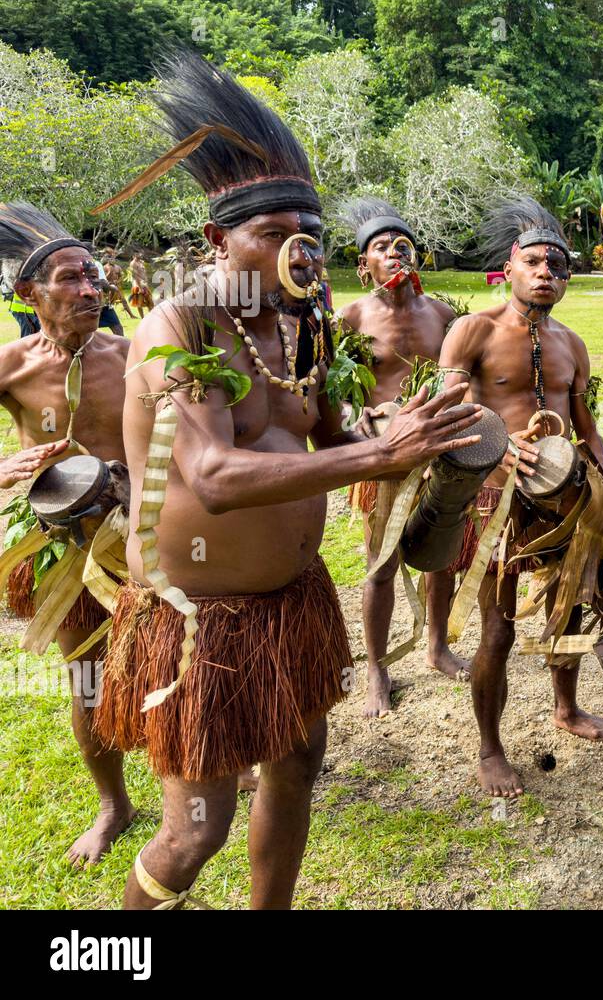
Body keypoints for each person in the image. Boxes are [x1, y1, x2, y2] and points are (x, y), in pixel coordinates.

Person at [91, 50, 482, 909]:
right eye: (272, 234)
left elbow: (341, 432)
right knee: (196, 828)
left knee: (299, 764)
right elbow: (215, 474)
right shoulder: (177, 326)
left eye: (308, 233)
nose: (296, 250)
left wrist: (419, 423)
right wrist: (380, 455)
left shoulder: (309, 330)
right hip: (201, 620)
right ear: (217, 241)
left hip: (294, 601)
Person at [439, 196, 603, 798]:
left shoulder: (572, 343)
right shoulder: (473, 330)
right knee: (498, 631)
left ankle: (566, 709)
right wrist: (497, 443)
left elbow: (586, 423)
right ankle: (490, 749)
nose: (548, 273)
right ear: (510, 266)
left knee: (567, 610)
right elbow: (448, 414)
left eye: (559, 266)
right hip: (496, 503)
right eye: (536, 262)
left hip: (567, 500)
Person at [0, 202, 136, 865]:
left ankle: (209, 765)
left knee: (184, 657)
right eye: (70, 278)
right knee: (87, 678)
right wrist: (4, 468)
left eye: (94, 275)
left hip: (145, 534)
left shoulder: (132, 354)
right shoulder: (14, 366)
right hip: (65, 548)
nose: (90, 288)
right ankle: (113, 801)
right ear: (28, 293)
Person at [336, 197, 466, 716]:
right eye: (382, 248)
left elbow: (463, 378)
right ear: (364, 263)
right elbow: (338, 390)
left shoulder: (444, 314)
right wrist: (355, 417)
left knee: (443, 555)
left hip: (438, 449)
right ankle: (375, 665)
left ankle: (436, 646)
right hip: (384, 456)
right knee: (381, 562)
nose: (395, 253)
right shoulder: (350, 317)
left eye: (402, 245)